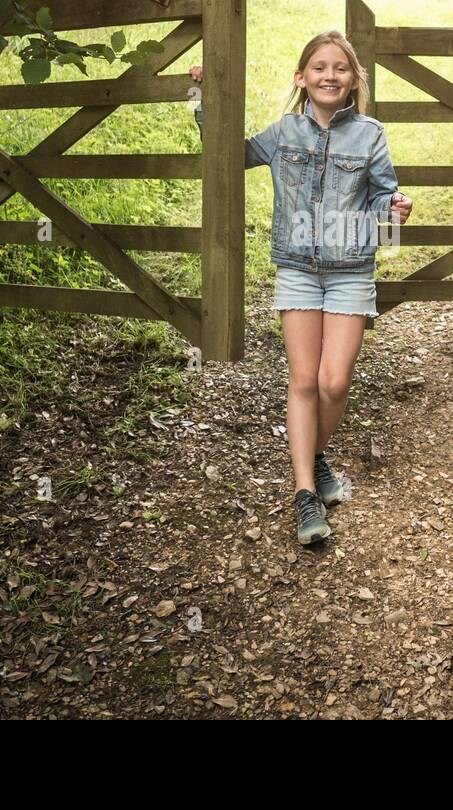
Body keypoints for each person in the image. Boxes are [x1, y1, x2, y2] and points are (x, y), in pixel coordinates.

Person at [189, 30, 413, 544]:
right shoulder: (284, 132)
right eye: (319, 67)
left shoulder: (370, 134)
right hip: (296, 267)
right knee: (304, 381)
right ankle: (306, 494)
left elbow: (382, 199)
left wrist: (396, 208)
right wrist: (206, 100)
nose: (329, 75)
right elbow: (230, 153)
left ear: (355, 79)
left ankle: (312, 452)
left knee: (335, 382)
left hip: (351, 269)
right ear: (302, 77)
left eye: (340, 68)